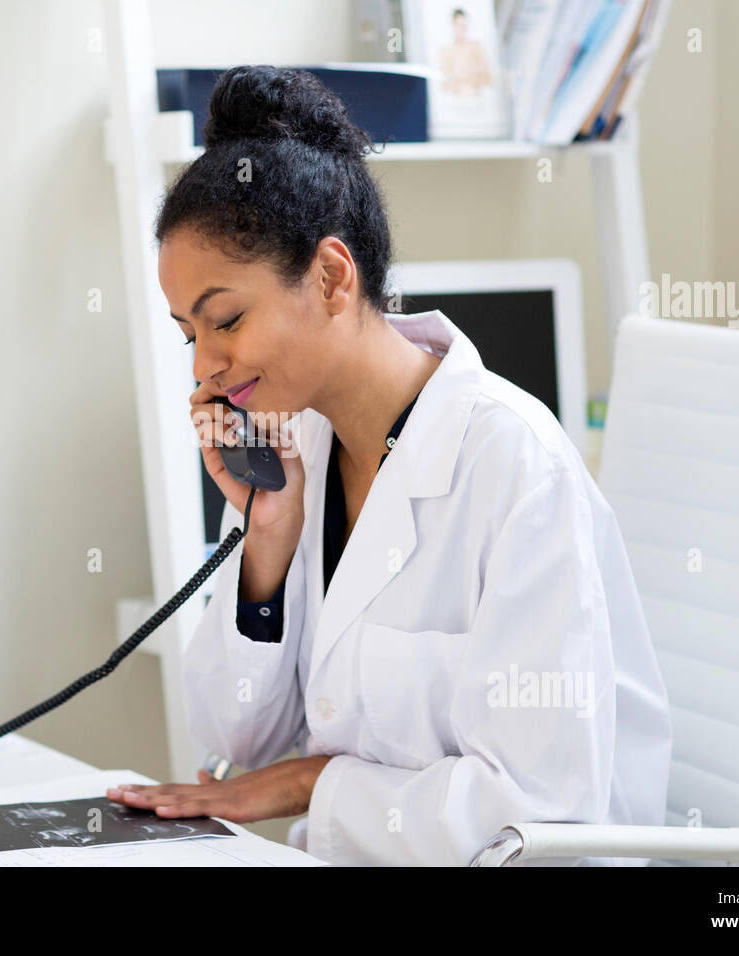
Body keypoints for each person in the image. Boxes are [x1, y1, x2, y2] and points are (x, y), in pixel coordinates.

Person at [105, 65, 671, 866]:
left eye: (225, 319)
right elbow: (234, 746)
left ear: (334, 277)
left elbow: (543, 819)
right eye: (187, 334)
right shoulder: (301, 449)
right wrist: (266, 540)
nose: (204, 368)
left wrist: (316, 783)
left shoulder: (515, 465)